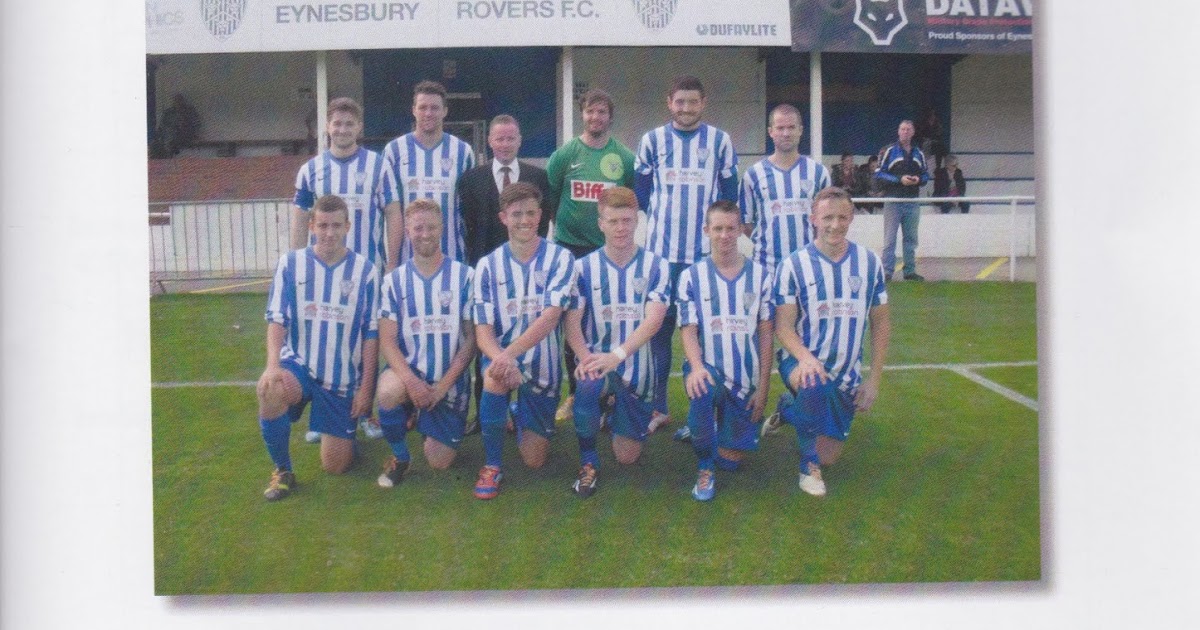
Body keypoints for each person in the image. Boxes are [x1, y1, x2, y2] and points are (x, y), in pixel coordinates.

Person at [764, 187, 890, 497]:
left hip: (845, 373)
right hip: (801, 361)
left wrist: (873, 380)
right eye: (827, 218)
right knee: (812, 381)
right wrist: (806, 358)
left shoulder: (869, 263)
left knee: (830, 456)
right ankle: (808, 468)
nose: (835, 225)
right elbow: (784, 326)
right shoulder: (794, 265)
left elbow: (881, 321)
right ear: (813, 220)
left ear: (851, 218)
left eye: (842, 217)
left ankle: (789, 410)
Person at [256, 195, 380, 501]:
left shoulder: (366, 271)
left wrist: (366, 391)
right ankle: (283, 470)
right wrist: (273, 365)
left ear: (347, 226)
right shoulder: (291, 263)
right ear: (311, 226)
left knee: (336, 466)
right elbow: (276, 319)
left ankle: (345, 436)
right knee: (270, 390)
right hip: (298, 365)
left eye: (336, 225)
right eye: (322, 225)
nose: (329, 232)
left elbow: (370, 334)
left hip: (340, 378)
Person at [635, 75, 739, 434]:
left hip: (701, 260)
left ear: (703, 103)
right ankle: (658, 407)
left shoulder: (720, 142)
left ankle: (706, 412)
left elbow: (729, 195)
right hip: (662, 259)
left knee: (707, 336)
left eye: (692, 102)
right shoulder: (652, 141)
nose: (686, 108)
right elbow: (642, 194)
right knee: (659, 334)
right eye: (680, 102)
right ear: (669, 102)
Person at [291, 97, 395, 442]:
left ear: (359, 128)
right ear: (327, 127)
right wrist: (294, 262)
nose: (343, 129)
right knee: (326, 342)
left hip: (366, 273)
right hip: (322, 274)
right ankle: (324, 418)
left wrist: (392, 264)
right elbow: (300, 217)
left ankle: (364, 413)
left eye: (349, 124)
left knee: (367, 341)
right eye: (337, 123)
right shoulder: (311, 169)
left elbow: (393, 212)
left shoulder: (378, 166)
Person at [471, 182, 576, 500]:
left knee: (535, 460)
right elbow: (483, 332)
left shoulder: (560, 258)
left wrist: (510, 356)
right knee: (493, 376)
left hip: (542, 364)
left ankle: (519, 411)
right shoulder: (487, 266)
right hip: (502, 360)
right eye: (517, 214)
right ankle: (492, 465)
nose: (524, 221)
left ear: (541, 216)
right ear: (503, 217)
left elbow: (551, 317)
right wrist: (502, 361)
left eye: (531, 213)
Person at [563, 187, 669, 498]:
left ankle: (614, 411)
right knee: (588, 383)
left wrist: (618, 355)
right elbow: (571, 323)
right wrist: (586, 359)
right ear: (601, 224)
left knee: (627, 456)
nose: (621, 228)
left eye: (626, 220)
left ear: (637, 221)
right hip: (599, 361)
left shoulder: (655, 265)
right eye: (613, 221)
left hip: (638, 368)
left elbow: (654, 321)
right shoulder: (583, 267)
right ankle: (588, 461)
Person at [544, 88, 636, 425]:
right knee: (574, 323)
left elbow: (631, 199)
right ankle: (574, 392)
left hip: (609, 254)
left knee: (609, 319)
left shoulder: (624, 158)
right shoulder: (566, 154)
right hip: (571, 249)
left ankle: (615, 389)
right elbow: (551, 196)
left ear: (610, 117)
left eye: (601, 112)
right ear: (581, 115)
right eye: (589, 112)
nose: (595, 118)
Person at [458, 114, 553, 434]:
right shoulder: (471, 179)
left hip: (529, 272)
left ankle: (530, 408)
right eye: (499, 138)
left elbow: (542, 221)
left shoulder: (538, 177)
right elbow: (470, 226)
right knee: (485, 341)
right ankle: (485, 413)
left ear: (519, 140)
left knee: (531, 332)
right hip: (487, 272)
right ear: (490, 141)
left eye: (510, 138)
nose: (504, 144)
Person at [674, 201, 774, 502]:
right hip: (709, 369)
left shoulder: (761, 275)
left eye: (731, 228)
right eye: (717, 228)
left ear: (741, 230)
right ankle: (704, 468)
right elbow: (688, 329)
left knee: (731, 461)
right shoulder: (691, 276)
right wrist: (697, 366)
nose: (724, 235)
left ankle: (700, 427)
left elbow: (767, 333)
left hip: (744, 379)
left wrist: (764, 388)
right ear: (706, 231)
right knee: (703, 390)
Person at [374, 199, 476, 487]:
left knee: (440, 462)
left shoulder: (465, 276)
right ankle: (400, 456)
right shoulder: (394, 281)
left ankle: (422, 415)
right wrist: (413, 382)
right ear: (407, 230)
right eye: (418, 228)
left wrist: (442, 386)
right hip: (410, 375)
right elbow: (388, 340)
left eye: (431, 227)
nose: (425, 234)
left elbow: (471, 341)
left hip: (449, 382)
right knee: (388, 391)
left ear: (442, 228)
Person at [382, 80, 477, 268]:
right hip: (406, 261)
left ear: (445, 111)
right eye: (423, 107)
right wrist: (391, 263)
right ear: (413, 110)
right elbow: (389, 209)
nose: (428, 113)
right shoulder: (394, 151)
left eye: (434, 108)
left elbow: (469, 210)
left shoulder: (462, 152)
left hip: (452, 257)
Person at [739, 104, 830, 275]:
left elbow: (826, 220)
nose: (786, 133)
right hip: (766, 268)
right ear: (770, 131)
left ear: (800, 130)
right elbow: (746, 222)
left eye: (791, 127)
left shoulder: (818, 173)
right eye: (780, 128)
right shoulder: (753, 174)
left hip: (809, 265)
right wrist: (767, 243)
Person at [875, 120, 931, 281]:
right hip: (893, 201)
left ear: (913, 132)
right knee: (889, 239)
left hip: (912, 202)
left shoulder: (918, 153)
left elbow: (926, 175)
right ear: (898, 132)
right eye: (902, 129)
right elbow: (879, 174)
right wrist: (900, 180)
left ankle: (909, 272)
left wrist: (917, 180)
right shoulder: (889, 150)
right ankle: (887, 272)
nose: (905, 132)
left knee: (911, 239)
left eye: (908, 129)